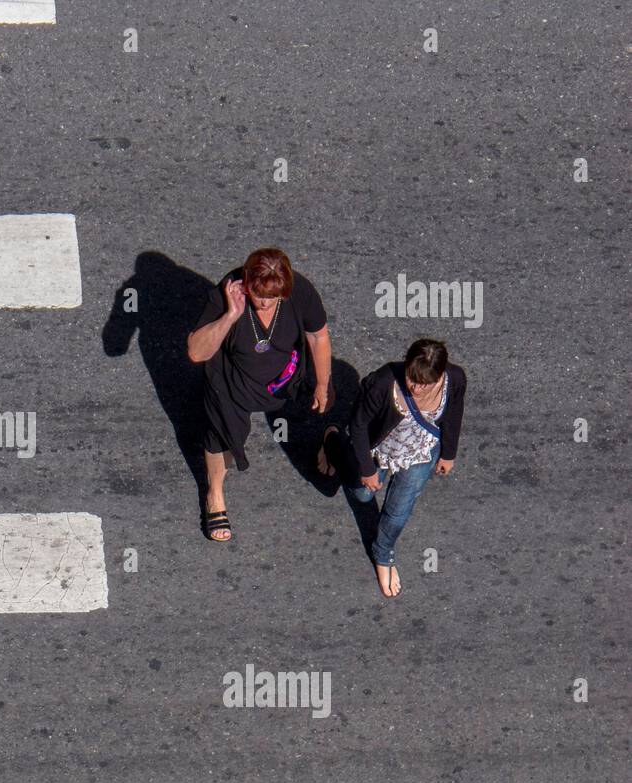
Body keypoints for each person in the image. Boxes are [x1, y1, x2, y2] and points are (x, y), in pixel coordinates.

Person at [186, 248, 333, 541]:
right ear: (246, 282)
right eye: (258, 294)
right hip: (234, 379)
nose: (265, 303)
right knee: (223, 432)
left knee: (325, 398)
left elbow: (318, 336)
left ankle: (330, 440)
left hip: (285, 375)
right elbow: (196, 352)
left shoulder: (299, 291)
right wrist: (231, 315)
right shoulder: (226, 293)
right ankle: (214, 493)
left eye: (273, 298)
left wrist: (321, 383)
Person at [319, 339, 466, 597]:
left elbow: (454, 412)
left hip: (420, 452)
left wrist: (448, 453)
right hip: (380, 449)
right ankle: (332, 441)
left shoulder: (455, 378)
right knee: (363, 493)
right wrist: (367, 470)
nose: (416, 387)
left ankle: (383, 554)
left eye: (425, 382)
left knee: (398, 511)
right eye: (412, 377)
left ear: (440, 375)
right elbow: (359, 425)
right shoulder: (383, 382)